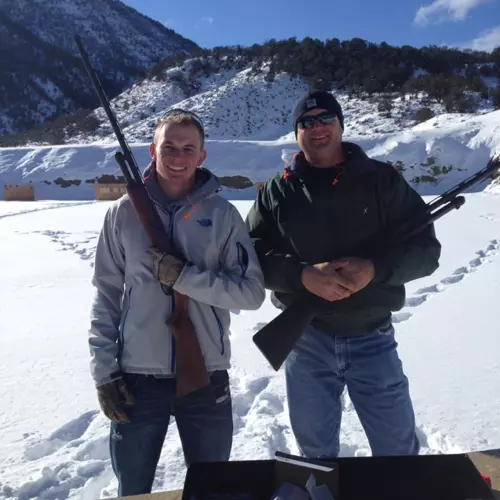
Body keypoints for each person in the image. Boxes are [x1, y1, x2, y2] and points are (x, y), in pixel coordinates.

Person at [245, 90, 442, 459]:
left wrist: (375, 269)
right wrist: (301, 275)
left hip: (373, 338)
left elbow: (426, 252)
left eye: (325, 119)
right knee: (315, 455)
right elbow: (248, 256)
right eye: (306, 122)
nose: (316, 128)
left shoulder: (382, 182)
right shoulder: (276, 191)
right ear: (296, 132)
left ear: (340, 124)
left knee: (398, 451)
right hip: (306, 341)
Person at [88, 108, 265, 496]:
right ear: (153, 150)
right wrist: (104, 371)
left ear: (202, 156)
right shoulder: (120, 214)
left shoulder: (223, 216)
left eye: (188, 148)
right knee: (134, 489)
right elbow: (106, 297)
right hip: (137, 379)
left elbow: (251, 293)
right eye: (169, 146)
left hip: (207, 375)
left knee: (211, 488)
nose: (178, 157)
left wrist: (185, 278)